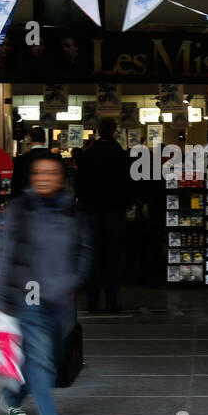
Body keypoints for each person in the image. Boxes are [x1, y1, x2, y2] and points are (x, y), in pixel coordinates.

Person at [0, 153, 91, 415]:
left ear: (61, 178)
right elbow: (5, 254)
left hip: (60, 300)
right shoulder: (19, 208)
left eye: (51, 173)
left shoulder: (73, 210)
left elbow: (84, 250)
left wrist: (73, 281)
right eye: (38, 173)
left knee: (49, 361)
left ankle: (11, 395)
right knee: (42, 362)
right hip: (26, 298)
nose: (44, 178)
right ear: (31, 178)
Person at [75, 117, 131, 312]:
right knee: (113, 259)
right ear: (115, 131)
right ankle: (112, 301)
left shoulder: (87, 156)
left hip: (91, 213)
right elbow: (128, 186)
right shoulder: (123, 156)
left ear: (98, 131)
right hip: (115, 213)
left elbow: (79, 187)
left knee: (93, 258)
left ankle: (92, 301)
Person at [10, 125, 50, 195]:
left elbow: (15, 187)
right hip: (50, 201)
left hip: (26, 201)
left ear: (30, 139)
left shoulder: (19, 160)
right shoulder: (55, 158)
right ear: (45, 139)